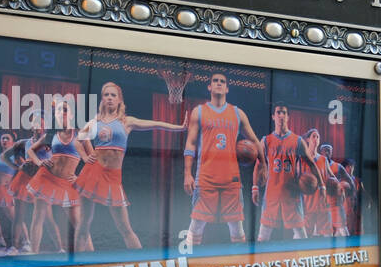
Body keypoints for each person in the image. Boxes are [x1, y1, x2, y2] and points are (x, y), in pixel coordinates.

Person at [74, 80, 189, 251]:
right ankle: (75, 263)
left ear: (120, 99)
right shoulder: (95, 122)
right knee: (83, 224)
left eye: (113, 95)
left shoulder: (126, 121)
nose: (110, 98)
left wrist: (179, 128)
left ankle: (140, 263)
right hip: (92, 173)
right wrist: (85, 156)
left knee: (125, 228)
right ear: (102, 99)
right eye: (106, 95)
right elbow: (78, 140)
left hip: (113, 177)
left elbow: (155, 124)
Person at [183, 73, 264, 245]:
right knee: (196, 224)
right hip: (205, 177)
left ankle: (240, 266)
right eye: (215, 81)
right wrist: (187, 174)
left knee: (237, 227)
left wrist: (264, 164)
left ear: (227, 88)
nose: (219, 84)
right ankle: (190, 265)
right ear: (209, 87)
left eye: (222, 82)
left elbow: (256, 141)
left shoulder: (237, 113)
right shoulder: (199, 112)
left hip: (231, 178)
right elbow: (190, 144)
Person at [253, 104, 327, 241]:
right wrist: (255, 187)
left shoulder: (297, 140)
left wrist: (322, 185)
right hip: (272, 194)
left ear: (288, 117)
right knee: (263, 236)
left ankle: (301, 261)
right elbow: (258, 165)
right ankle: (261, 262)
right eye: (278, 112)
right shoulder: (266, 140)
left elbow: (311, 163)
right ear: (273, 116)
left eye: (284, 113)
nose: (281, 115)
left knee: (301, 234)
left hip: (292, 193)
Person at [27, 106, 93, 253]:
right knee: (38, 216)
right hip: (46, 178)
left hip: (68, 183)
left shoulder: (81, 134)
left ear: (71, 114)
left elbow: (94, 161)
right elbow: (30, 150)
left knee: (79, 223)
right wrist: (39, 162)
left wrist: (81, 178)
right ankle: (33, 255)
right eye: (57, 110)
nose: (60, 113)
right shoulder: (52, 134)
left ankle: (92, 258)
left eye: (64, 110)